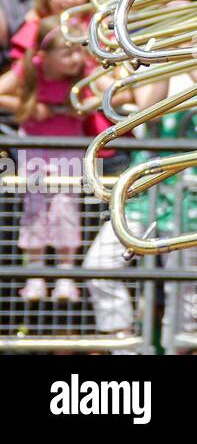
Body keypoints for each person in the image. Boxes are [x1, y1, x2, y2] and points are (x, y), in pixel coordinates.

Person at [0, 16, 107, 301]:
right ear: (45, 54)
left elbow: (114, 93)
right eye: (67, 52)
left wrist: (82, 107)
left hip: (68, 150)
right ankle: (35, 273)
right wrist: (32, 106)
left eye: (77, 51)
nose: (75, 59)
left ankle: (65, 274)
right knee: (35, 208)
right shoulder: (29, 70)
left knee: (65, 209)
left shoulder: (83, 72)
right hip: (35, 150)